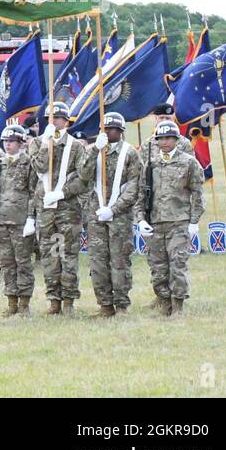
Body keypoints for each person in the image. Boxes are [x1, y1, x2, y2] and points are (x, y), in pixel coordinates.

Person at [138, 121, 205, 317]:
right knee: (158, 267)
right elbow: (141, 195)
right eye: (161, 139)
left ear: (176, 140)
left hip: (179, 222)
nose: (165, 142)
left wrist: (194, 221)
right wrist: (140, 220)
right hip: (155, 222)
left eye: (169, 138)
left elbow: (197, 194)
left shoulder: (188, 162)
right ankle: (164, 302)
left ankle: (178, 306)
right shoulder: (150, 164)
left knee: (177, 265)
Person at [79, 112, 142, 317]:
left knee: (119, 261)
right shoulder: (92, 150)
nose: (108, 132)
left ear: (121, 131)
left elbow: (134, 187)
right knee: (98, 262)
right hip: (95, 214)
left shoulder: (130, 153)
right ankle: (105, 305)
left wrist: (113, 209)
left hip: (119, 217)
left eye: (112, 129)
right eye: (104, 128)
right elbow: (83, 175)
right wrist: (95, 150)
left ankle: (121, 305)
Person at [30, 102, 88, 316]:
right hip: (45, 210)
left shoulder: (76, 146)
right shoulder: (37, 143)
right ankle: (53, 299)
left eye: (58, 118)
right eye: (50, 118)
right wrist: (46, 145)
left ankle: (69, 301)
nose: (53, 122)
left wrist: (64, 192)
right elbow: (39, 167)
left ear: (66, 121)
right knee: (49, 255)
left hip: (67, 208)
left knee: (67, 254)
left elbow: (83, 179)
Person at [0, 126, 37, 316]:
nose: (8, 145)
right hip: (1, 220)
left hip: (20, 221)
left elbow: (33, 193)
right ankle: (11, 302)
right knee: (6, 263)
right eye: (5, 141)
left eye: (11, 141)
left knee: (23, 263)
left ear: (20, 143)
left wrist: (31, 217)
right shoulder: (0, 164)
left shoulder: (29, 163)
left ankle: (24, 304)